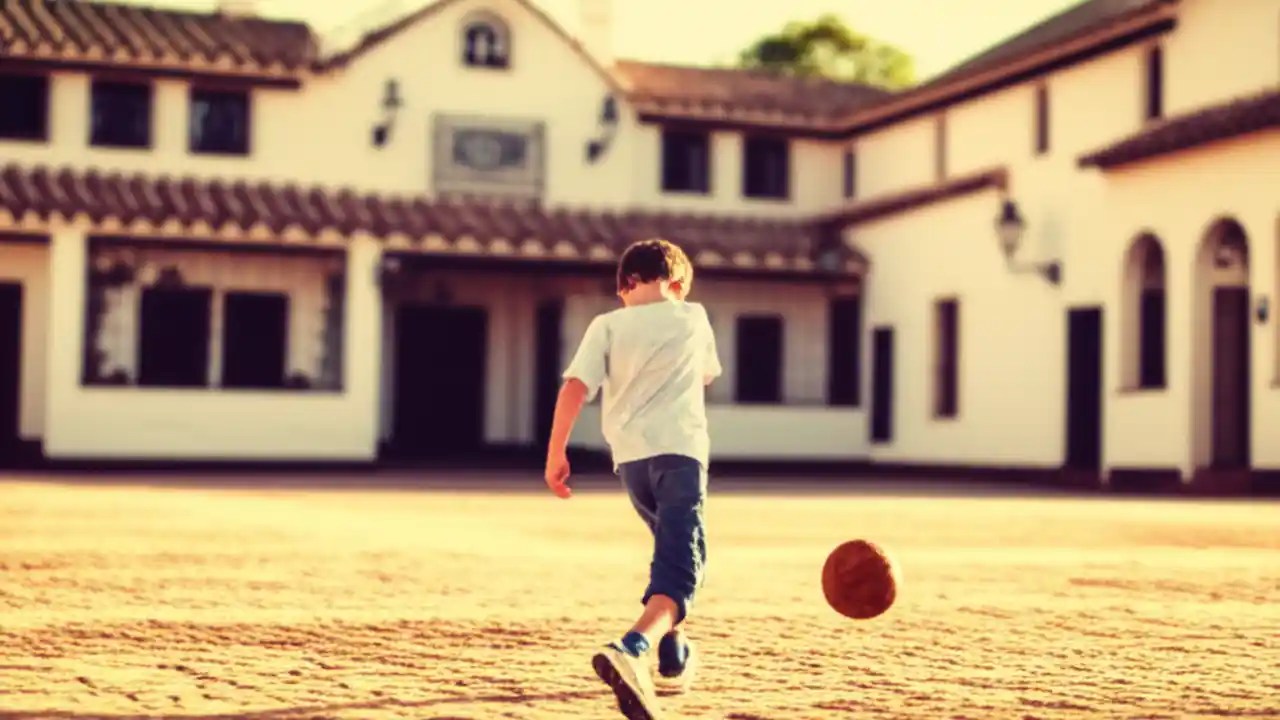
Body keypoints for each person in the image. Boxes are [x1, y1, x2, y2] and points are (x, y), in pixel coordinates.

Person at [543, 238, 722, 720]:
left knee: (669, 553)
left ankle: (673, 650)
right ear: (678, 285)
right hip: (680, 454)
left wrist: (556, 452)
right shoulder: (692, 317)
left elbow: (574, 388)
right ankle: (634, 646)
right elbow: (706, 375)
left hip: (632, 463)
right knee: (685, 566)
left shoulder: (606, 324)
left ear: (623, 286)